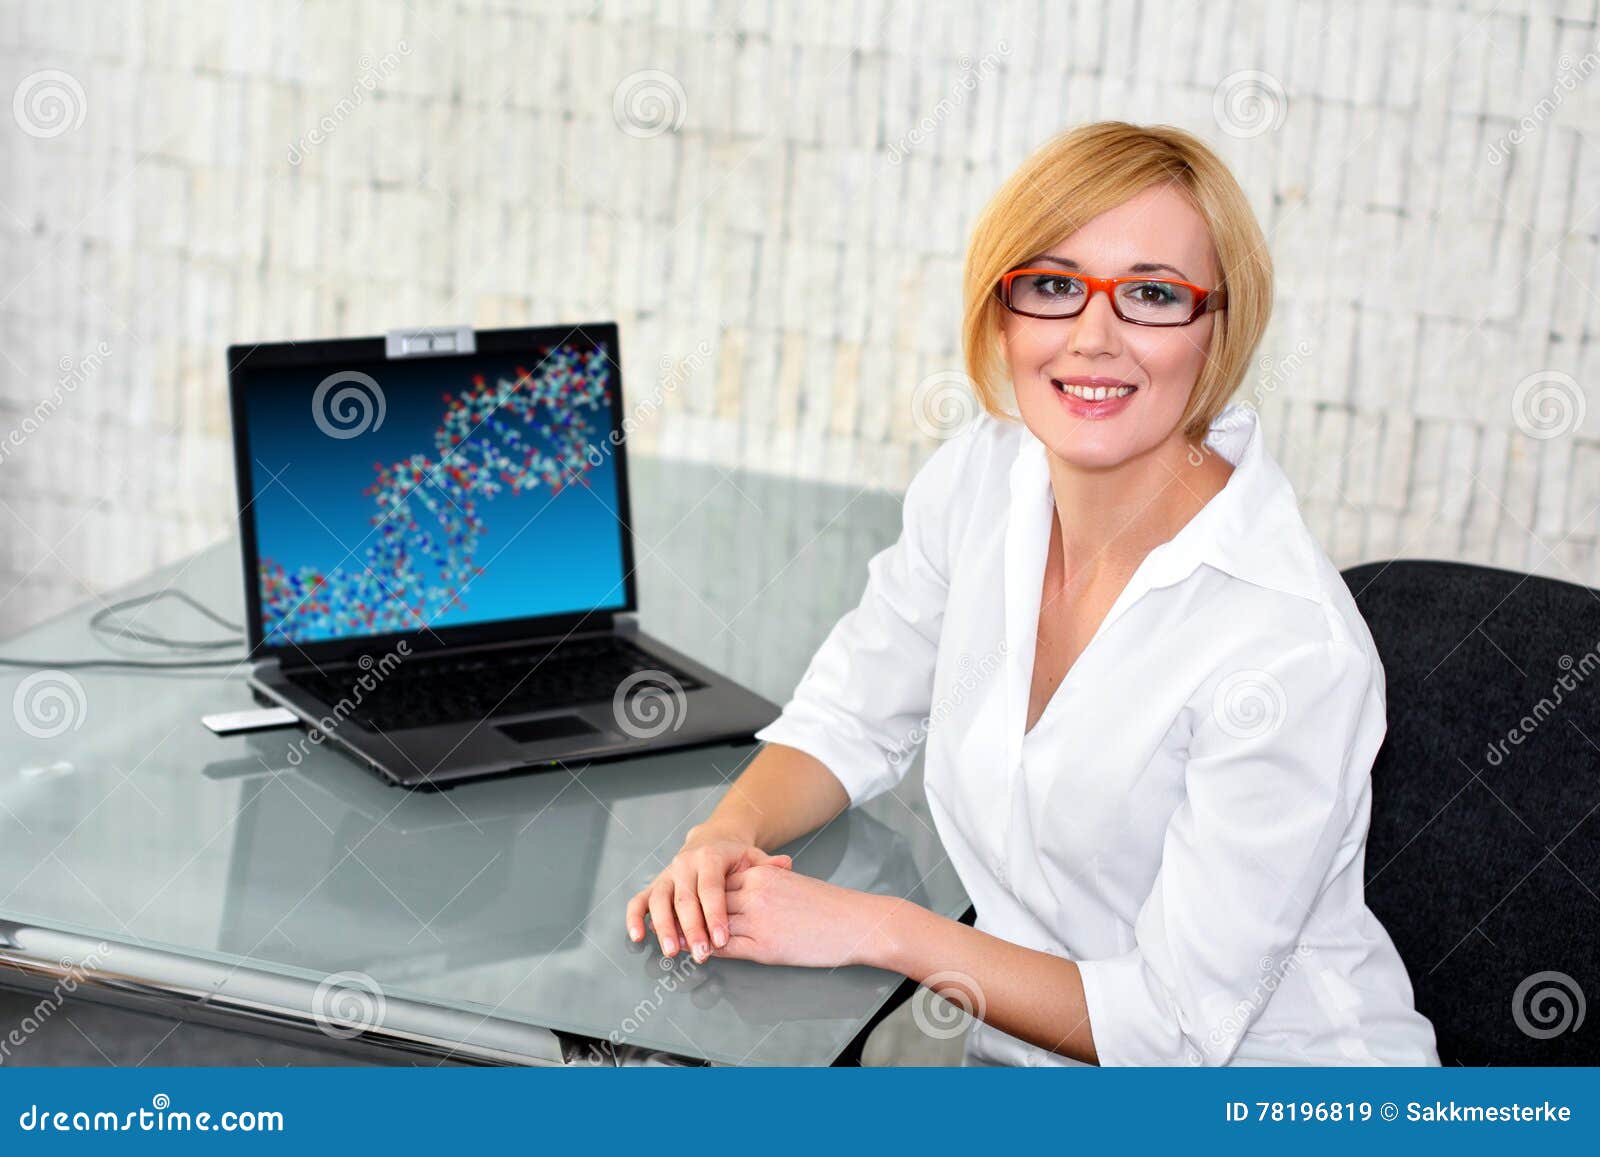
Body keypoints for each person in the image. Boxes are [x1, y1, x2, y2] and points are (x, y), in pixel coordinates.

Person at [624, 120, 1440, 1067]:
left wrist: (879, 928)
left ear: (1218, 329)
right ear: (1002, 313)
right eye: (1053, 286)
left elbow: (1170, 1030)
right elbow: (852, 715)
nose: (1093, 337)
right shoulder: (984, 478)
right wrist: (724, 836)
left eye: (1151, 295)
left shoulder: (1288, 644)